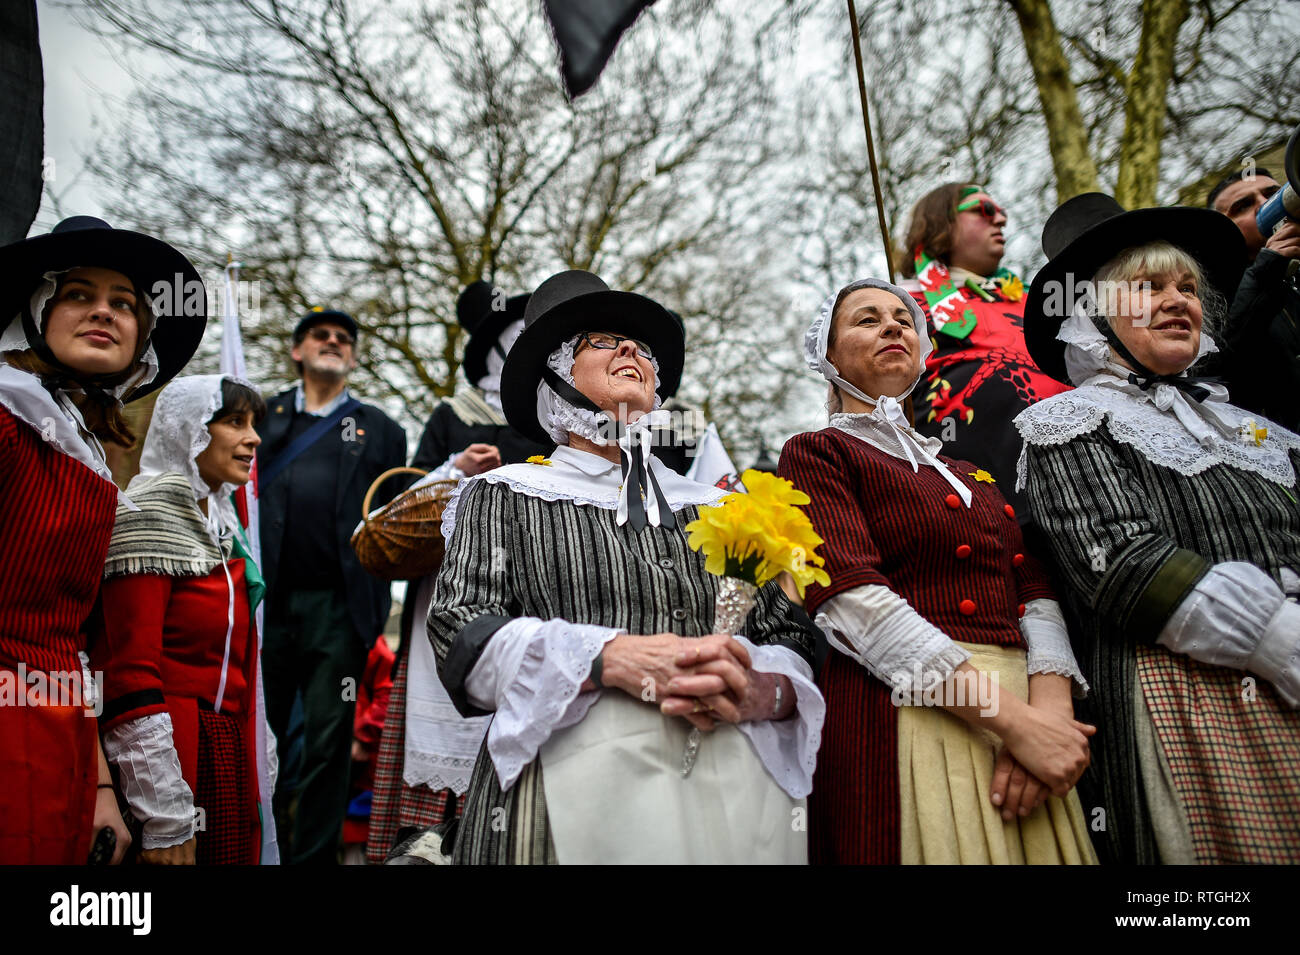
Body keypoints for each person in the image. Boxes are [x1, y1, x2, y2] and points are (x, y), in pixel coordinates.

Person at [428, 269, 824, 864]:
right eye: (604, 340)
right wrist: (609, 657)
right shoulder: (501, 494)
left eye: (639, 345)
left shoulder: (724, 506)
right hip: (568, 785)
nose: (633, 350)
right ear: (555, 376)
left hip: (731, 789)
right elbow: (461, 633)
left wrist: (756, 688)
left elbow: (789, 634)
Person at [1015, 192, 1300, 864]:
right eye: (1149, 287)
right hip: (1189, 697)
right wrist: (1281, 641)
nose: (1179, 300)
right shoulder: (1071, 423)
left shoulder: (1255, 428)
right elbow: (1120, 562)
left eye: (1188, 287)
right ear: (1097, 318)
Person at [779, 277, 1096, 865]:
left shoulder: (968, 468)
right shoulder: (816, 452)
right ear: (826, 356)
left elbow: (1032, 585)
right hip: (901, 711)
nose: (893, 326)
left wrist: (1048, 713)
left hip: (1024, 710)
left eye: (903, 318)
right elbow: (851, 600)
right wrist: (1014, 725)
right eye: (866, 320)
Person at [0, 215, 205, 863]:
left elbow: (80, 648)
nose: (104, 312)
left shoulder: (81, 448)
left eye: (123, 304)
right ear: (32, 314)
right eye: (78, 295)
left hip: (58, 728)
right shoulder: (6, 421)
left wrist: (100, 784)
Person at [368, 282, 549, 863]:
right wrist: (454, 467)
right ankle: (423, 843)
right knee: (446, 707)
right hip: (448, 591)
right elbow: (402, 501)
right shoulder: (453, 415)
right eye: (514, 338)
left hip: (532, 593)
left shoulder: (552, 418)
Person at [93, 375, 275, 864]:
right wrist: (164, 812)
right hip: (172, 752)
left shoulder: (222, 526)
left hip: (225, 749)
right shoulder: (144, 514)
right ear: (189, 429)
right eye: (235, 422)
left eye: (254, 423)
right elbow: (127, 670)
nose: (253, 437)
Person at [257, 307, 406, 864]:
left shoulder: (383, 429)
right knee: (260, 737)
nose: (333, 342)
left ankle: (312, 859)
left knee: (326, 745)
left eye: (344, 338)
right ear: (297, 350)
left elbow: (396, 508)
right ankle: (252, 849)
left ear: (353, 357)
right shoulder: (258, 415)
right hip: (263, 602)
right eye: (320, 335)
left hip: (339, 607)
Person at [899, 183, 1071, 515]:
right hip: (974, 508)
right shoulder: (902, 305)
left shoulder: (1038, 301)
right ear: (941, 223)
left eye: (1002, 212)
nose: (1001, 220)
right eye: (984, 211)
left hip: (1083, 484)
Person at [1207, 168, 1300, 430]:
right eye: (1243, 206)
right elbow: (1220, 370)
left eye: (1274, 195)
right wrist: (1266, 272)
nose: (1264, 205)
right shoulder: (1213, 298)